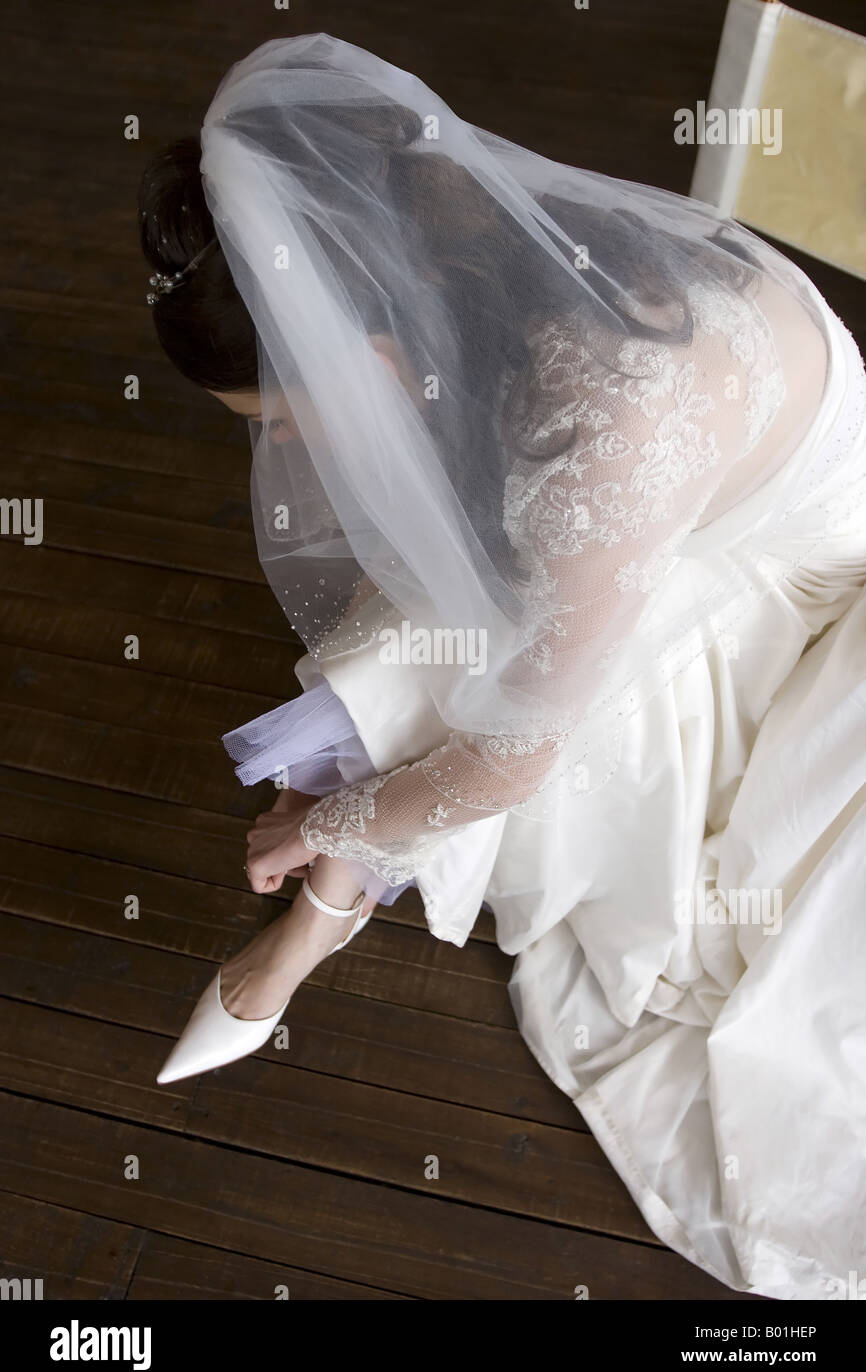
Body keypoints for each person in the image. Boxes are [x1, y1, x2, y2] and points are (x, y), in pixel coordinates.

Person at [139, 33, 866, 1298]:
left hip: (812, 578)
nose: (300, 449)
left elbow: (510, 756)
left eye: (288, 416)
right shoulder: (452, 244)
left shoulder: (607, 426)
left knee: (491, 685)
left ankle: (316, 911)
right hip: (675, 506)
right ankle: (326, 896)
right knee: (437, 620)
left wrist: (344, 808)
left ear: (359, 361)